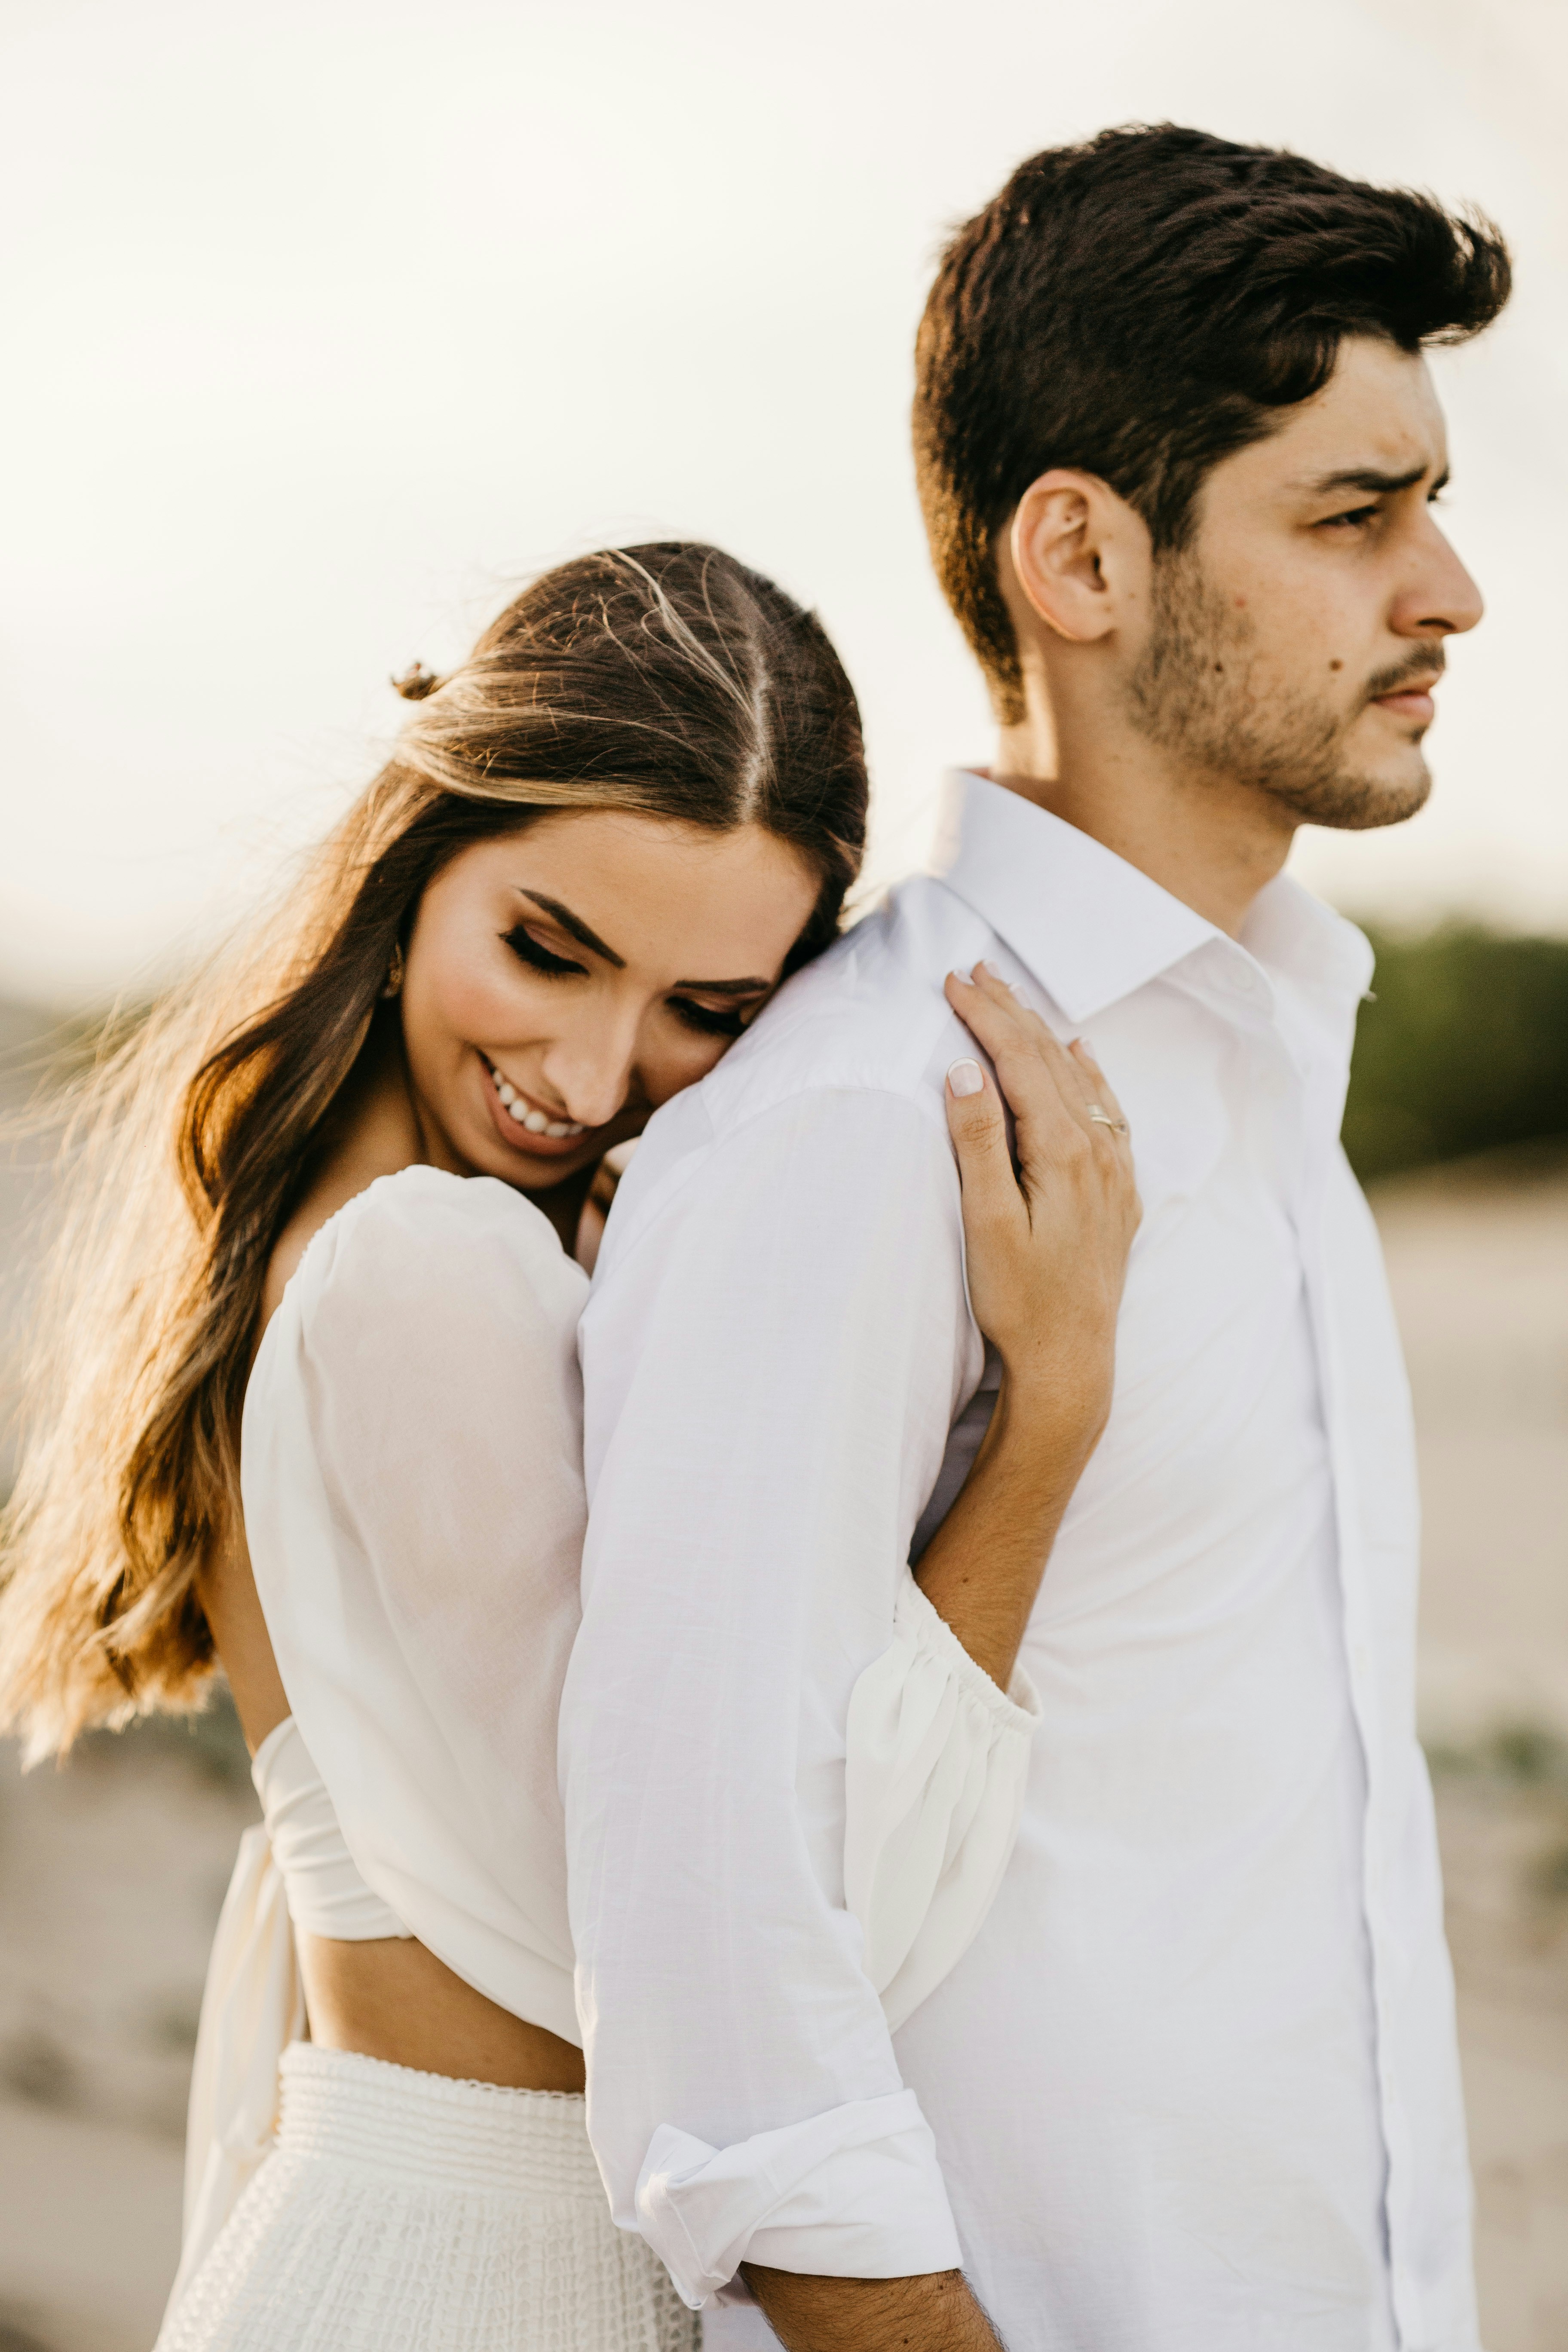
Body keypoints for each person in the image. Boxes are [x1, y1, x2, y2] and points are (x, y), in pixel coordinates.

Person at [562, 129, 1513, 2350]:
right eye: (1355, 516)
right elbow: (721, 1989)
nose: (1452, 590)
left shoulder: (1266, 1072)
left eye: (1436, 504)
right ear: (1082, 555)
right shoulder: (860, 1126)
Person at [0, 544, 1137, 2350]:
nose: (597, 1079)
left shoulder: (330, 1230)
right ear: (418, 850)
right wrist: (1050, 1416)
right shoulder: (422, 1272)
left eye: (708, 1013)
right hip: (475, 2275)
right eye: (548, 950)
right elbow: (738, 1934)